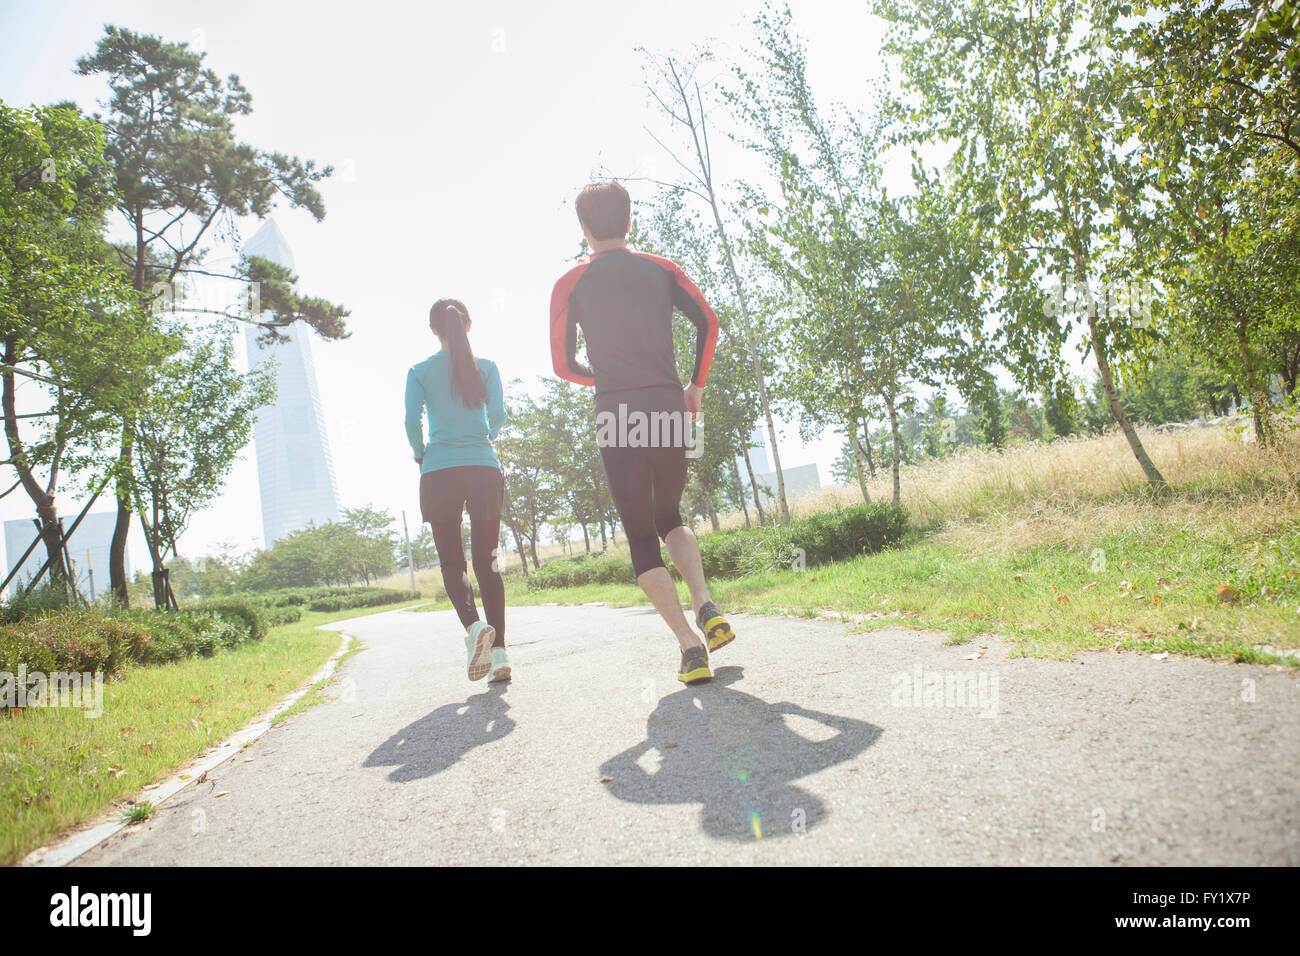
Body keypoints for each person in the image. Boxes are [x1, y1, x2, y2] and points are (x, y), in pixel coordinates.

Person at [549, 180, 736, 686]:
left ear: (584, 229)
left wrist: (605, 378)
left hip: (616, 414)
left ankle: (690, 648)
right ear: (629, 222)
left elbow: (563, 364)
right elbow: (709, 322)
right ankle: (705, 602)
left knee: (639, 536)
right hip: (668, 406)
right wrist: (694, 387)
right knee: (671, 515)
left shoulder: (570, 283)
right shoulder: (662, 269)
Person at [405, 298, 510, 683]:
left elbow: (409, 421)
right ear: (468, 325)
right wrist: (484, 439)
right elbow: (498, 415)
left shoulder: (419, 371)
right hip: (483, 468)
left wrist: (421, 454)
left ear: (434, 330)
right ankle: (499, 656)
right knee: (489, 562)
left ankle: (474, 628)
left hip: (439, 472)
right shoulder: (488, 367)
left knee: (453, 563)